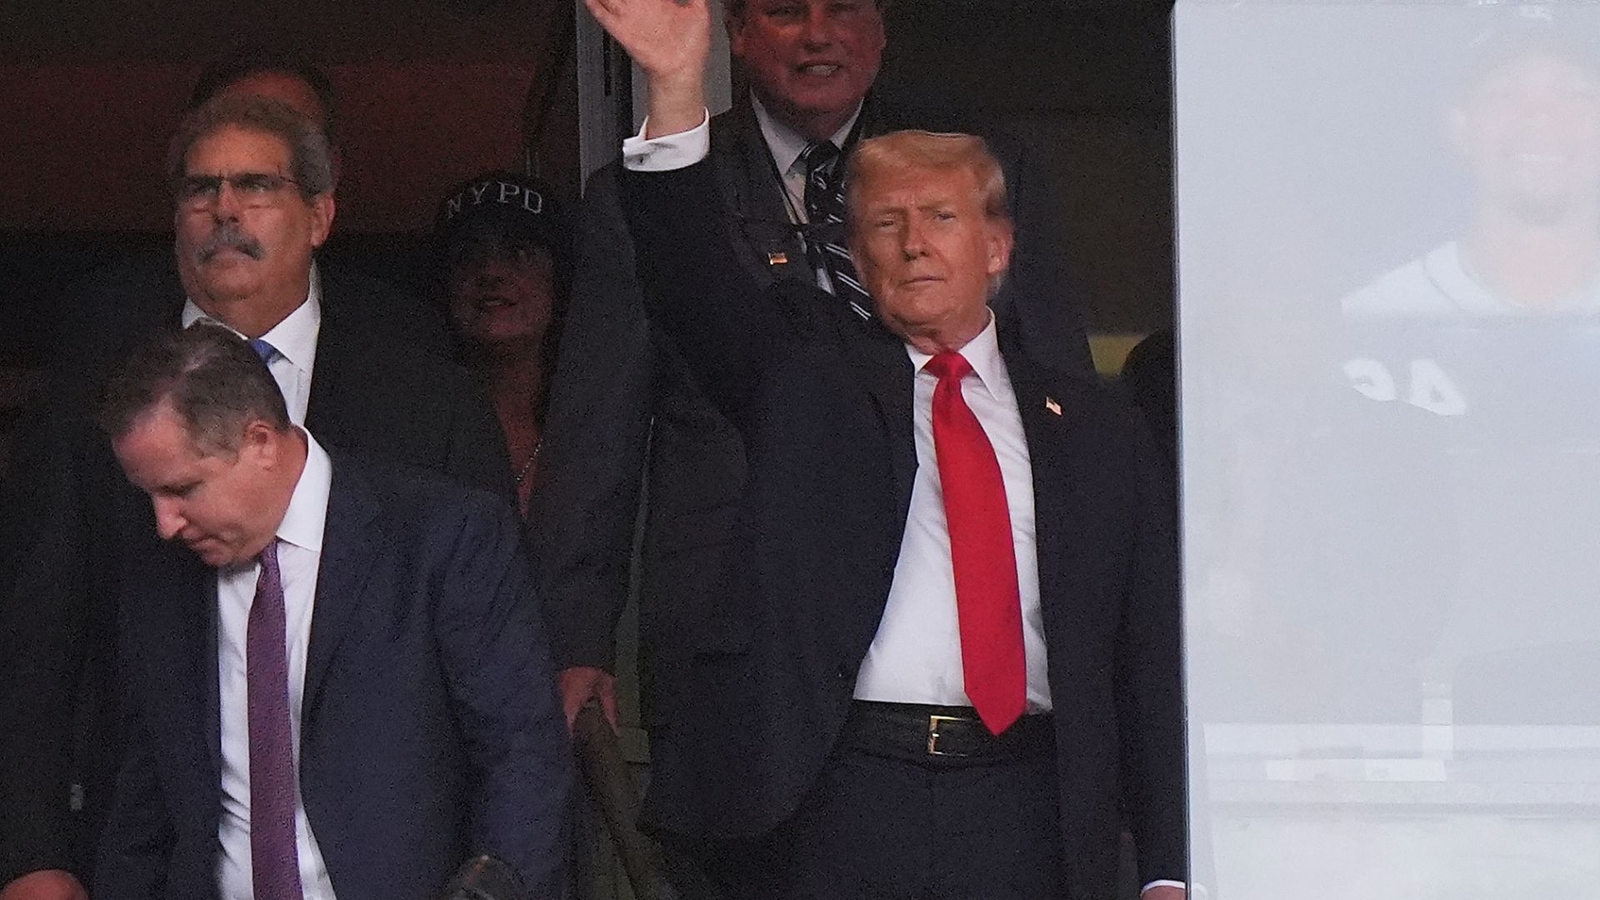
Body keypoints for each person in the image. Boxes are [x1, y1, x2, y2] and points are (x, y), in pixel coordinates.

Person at [581, 2, 1186, 897]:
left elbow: (1143, 658)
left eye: (939, 216)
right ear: (857, 260)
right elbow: (691, 279)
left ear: (997, 247)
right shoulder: (805, 382)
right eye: (885, 225)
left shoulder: (1093, 429)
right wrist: (675, 88)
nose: (912, 246)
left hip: (1028, 800)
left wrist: (1169, 869)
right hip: (844, 794)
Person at [539, 0, 1093, 746]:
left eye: (843, 9)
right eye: (785, 12)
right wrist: (577, 637)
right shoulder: (640, 196)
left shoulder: (982, 170)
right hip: (735, 610)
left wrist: (1087, 622)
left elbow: (1057, 387)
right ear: (735, 34)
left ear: (882, 29)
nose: (818, 34)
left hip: (953, 601)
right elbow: (595, 430)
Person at [0, 96, 509, 900]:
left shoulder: (427, 398)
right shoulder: (89, 404)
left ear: (321, 215)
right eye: (199, 191)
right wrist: (32, 856)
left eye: (255, 185)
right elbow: (36, 645)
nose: (223, 209)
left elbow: (499, 674)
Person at [93, 323, 568, 899]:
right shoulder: (165, 578)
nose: (164, 524)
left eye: (184, 490)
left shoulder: (443, 539)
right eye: (151, 496)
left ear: (261, 443)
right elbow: (149, 796)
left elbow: (521, 755)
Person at [435, 171, 572, 517]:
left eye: (519, 252)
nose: (491, 271)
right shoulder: (415, 425)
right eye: (469, 256)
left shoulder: (601, 420)